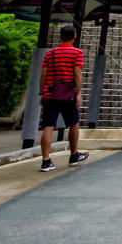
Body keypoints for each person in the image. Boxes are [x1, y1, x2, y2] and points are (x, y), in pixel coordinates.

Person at [39, 26, 88, 172]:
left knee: (48, 126)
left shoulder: (50, 53)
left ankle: (46, 161)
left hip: (51, 94)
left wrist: (42, 93)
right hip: (68, 94)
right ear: (74, 37)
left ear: (60, 37)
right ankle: (74, 155)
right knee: (74, 124)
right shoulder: (77, 53)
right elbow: (77, 73)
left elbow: (43, 74)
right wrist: (79, 93)